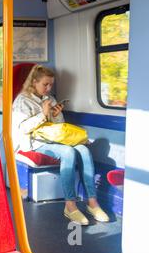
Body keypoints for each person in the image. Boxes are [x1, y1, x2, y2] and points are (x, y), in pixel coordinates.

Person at [12, 65, 109, 225]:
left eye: (51, 85)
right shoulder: (22, 101)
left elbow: (59, 125)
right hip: (34, 142)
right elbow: (22, 128)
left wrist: (56, 115)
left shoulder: (49, 99)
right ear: (34, 82)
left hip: (53, 138)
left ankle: (92, 202)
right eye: (45, 84)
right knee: (68, 153)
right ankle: (70, 205)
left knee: (83, 150)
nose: (48, 88)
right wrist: (43, 114)